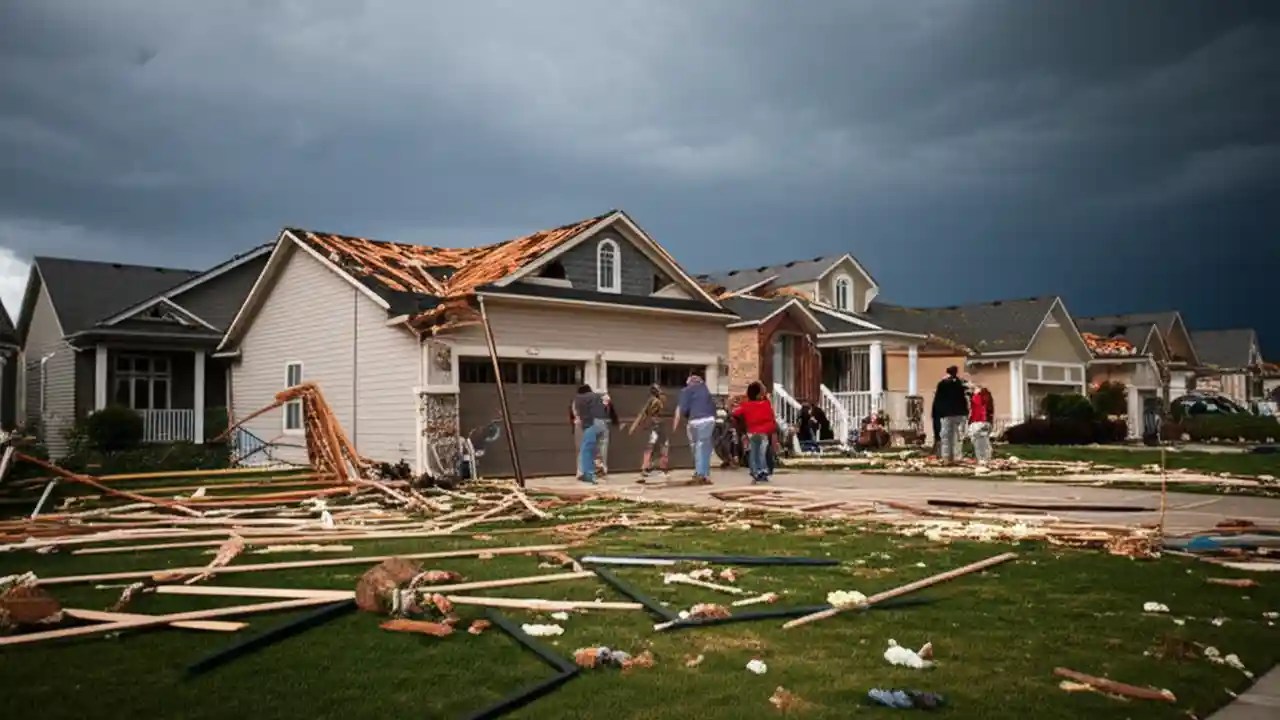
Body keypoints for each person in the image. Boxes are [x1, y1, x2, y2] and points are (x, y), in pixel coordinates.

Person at [673, 373, 716, 484]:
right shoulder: (705, 389)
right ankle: (704, 474)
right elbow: (713, 405)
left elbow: (681, 409)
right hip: (709, 420)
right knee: (704, 447)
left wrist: (675, 425)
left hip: (695, 421)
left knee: (697, 447)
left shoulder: (686, 391)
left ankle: (700, 473)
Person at [733, 381, 778, 483]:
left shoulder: (745, 405)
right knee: (762, 452)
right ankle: (762, 471)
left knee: (754, 452)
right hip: (763, 433)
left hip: (751, 432)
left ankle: (755, 471)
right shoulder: (765, 404)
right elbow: (771, 417)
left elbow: (735, 412)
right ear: (759, 394)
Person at [629, 384, 670, 482]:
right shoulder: (653, 400)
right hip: (655, 425)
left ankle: (657, 466)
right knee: (654, 446)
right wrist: (635, 426)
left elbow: (643, 413)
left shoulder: (658, 400)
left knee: (660, 445)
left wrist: (635, 426)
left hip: (658, 425)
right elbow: (643, 413)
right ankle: (648, 467)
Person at [572, 384, 611, 484]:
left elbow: (579, 414)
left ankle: (588, 475)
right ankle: (602, 469)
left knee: (586, 450)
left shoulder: (579, 398)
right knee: (601, 449)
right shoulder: (597, 396)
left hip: (592, 423)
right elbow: (605, 406)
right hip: (603, 424)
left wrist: (584, 424)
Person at [932, 365, 969, 464]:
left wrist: (937, 414)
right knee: (957, 437)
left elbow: (938, 400)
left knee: (946, 437)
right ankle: (957, 457)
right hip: (959, 414)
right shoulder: (960, 383)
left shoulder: (942, 384)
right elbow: (964, 399)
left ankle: (947, 458)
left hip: (946, 414)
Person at [968, 384, 993, 465]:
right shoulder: (987, 397)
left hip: (978, 422)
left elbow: (976, 409)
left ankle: (982, 460)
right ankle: (986, 458)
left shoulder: (977, 397)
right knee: (984, 441)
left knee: (979, 442)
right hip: (986, 422)